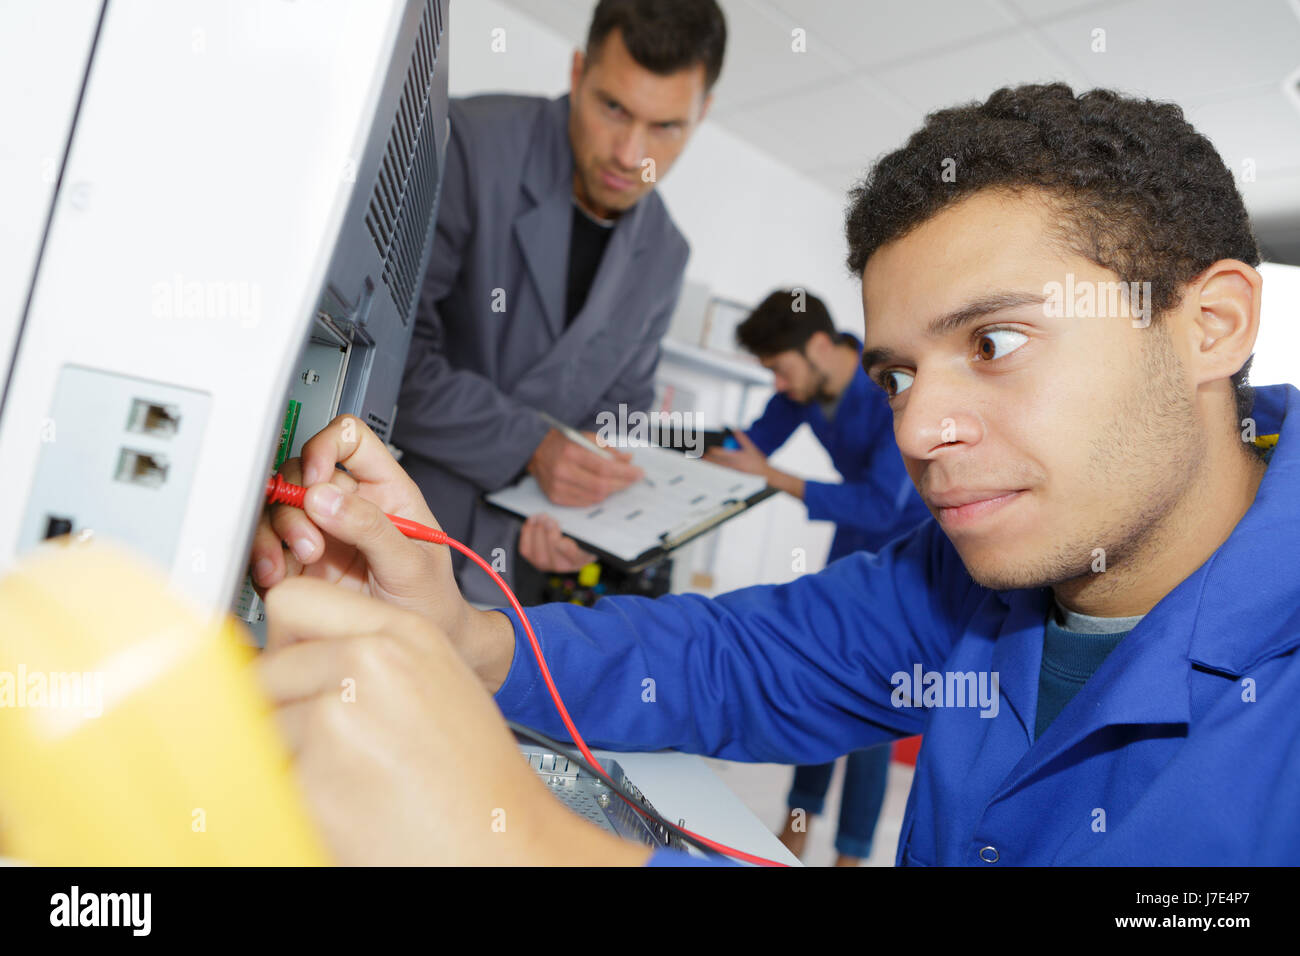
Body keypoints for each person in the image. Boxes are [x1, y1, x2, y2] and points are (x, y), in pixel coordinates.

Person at [250, 83, 1300, 865]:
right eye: (897, 373)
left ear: (1209, 326)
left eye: (994, 342)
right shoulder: (980, 579)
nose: (920, 425)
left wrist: (536, 843)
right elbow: (737, 658)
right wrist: (464, 633)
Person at [382, 0, 726, 604]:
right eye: (612, 107)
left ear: (702, 116)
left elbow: (620, 415)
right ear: (576, 73)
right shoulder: (469, 143)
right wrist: (533, 450)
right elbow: (392, 359)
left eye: (666, 127)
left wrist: (587, 511)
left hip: (510, 573)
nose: (628, 153)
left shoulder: (667, 253)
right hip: (396, 516)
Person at [705, 289, 929, 865]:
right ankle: (794, 830)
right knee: (825, 684)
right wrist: (678, 443)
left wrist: (773, 475)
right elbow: (752, 445)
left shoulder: (889, 386)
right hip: (852, 545)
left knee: (876, 708)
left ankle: (850, 856)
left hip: (909, 553)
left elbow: (883, 504)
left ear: (821, 346)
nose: (779, 384)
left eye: (780, 369)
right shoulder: (803, 388)